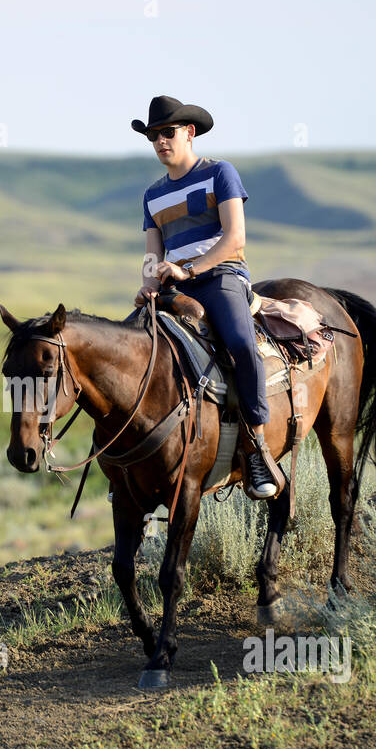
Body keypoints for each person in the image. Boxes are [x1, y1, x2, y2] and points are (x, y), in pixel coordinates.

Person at [131, 95, 281, 499]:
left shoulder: (220, 173)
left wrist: (190, 269)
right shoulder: (152, 195)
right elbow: (152, 253)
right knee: (128, 351)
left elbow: (236, 237)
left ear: (189, 133)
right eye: (153, 136)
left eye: (167, 133)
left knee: (239, 344)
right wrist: (148, 284)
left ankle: (257, 448)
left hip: (221, 277)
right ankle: (125, 464)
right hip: (173, 287)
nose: (160, 142)